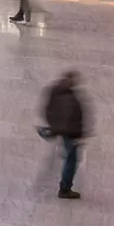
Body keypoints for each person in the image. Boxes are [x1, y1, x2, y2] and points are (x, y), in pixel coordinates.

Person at [40, 71, 88, 200]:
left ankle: (48, 132)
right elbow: (74, 120)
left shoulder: (53, 90)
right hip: (70, 134)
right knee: (71, 160)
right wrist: (78, 136)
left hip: (59, 129)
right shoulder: (72, 100)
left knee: (68, 157)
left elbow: (47, 109)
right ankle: (65, 189)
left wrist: (54, 126)